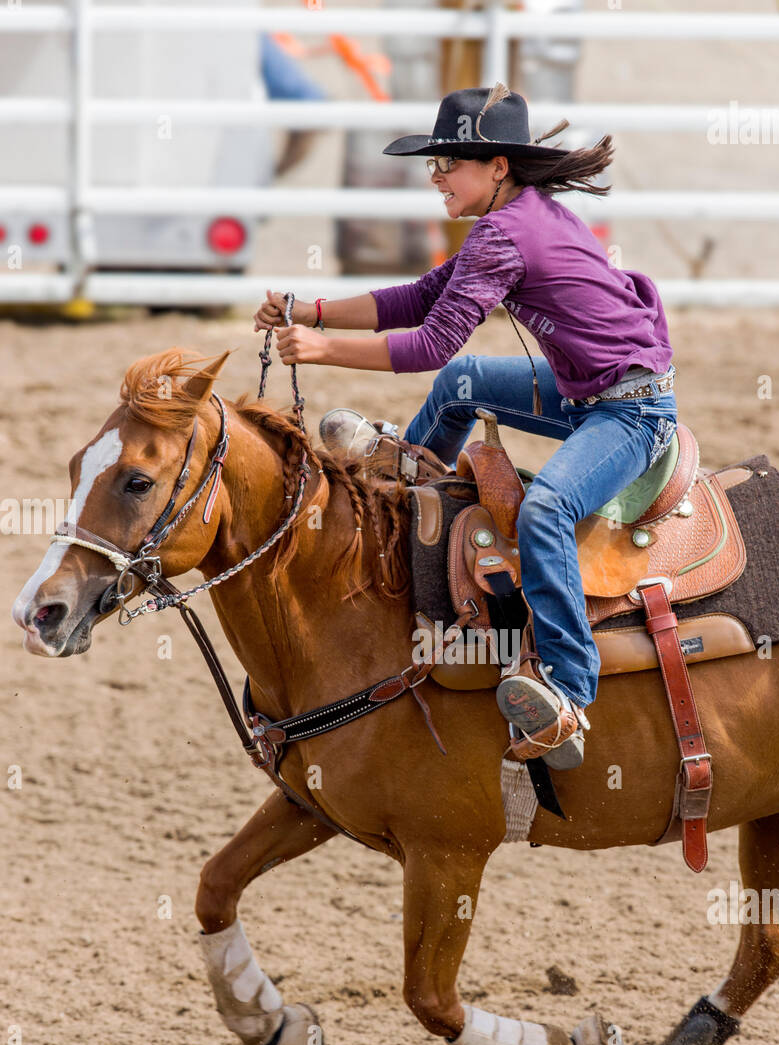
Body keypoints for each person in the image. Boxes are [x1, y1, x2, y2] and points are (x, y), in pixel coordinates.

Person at [253, 84, 677, 769]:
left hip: (630, 414)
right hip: (593, 392)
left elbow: (428, 343)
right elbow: (422, 298)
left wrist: (321, 346)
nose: (437, 175)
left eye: (450, 161)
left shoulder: (505, 234)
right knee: (461, 387)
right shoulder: (520, 218)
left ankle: (570, 690)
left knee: (545, 510)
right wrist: (313, 308)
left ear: (499, 167)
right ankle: (417, 472)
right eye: (435, 163)